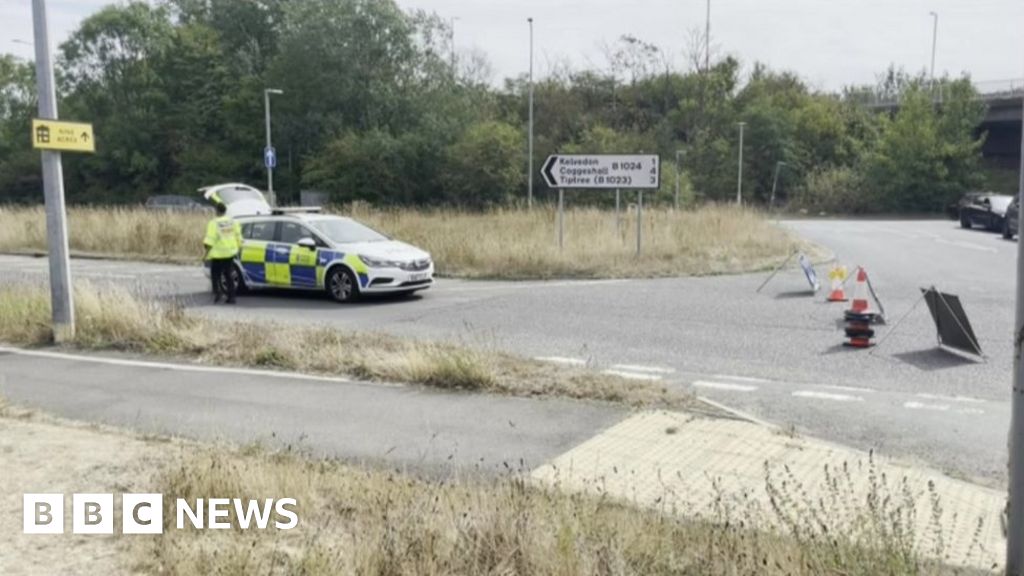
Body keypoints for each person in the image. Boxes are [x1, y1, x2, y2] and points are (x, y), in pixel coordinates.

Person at [204, 203, 242, 304]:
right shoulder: (233, 222)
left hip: (218, 254)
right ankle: (231, 297)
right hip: (230, 253)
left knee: (215, 275)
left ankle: (218, 293)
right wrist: (239, 248)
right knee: (228, 275)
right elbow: (238, 236)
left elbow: (209, 240)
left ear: (216, 210)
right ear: (225, 211)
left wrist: (205, 253)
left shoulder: (213, 223)